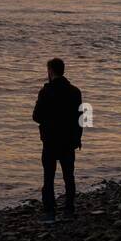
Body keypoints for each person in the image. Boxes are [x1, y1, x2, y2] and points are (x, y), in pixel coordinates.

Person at [32, 58, 83, 224]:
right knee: (69, 176)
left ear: (50, 71)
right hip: (69, 141)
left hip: (51, 141)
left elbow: (36, 116)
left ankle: (49, 212)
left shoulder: (45, 92)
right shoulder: (75, 91)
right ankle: (69, 209)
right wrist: (78, 138)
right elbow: (82, 119)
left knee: (48, 177)